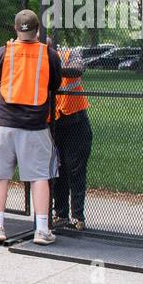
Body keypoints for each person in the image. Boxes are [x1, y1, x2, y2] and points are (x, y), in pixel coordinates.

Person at [0, 10, 64, 245]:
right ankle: (42, 230)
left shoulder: (4, 52)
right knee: (40, 177)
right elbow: (55, 84)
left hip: (3, 123)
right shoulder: (49, 54)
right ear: (38, 30)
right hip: (36, 125)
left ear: (16, 30)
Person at [51, 43, 92, 231]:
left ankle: (78, 217)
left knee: (75, 170)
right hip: (53, 124)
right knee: (57, 170)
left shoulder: (71, 54)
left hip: (76, 121)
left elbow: (77, 70)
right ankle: (60, 214)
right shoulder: (35, 59)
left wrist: (51, 66)